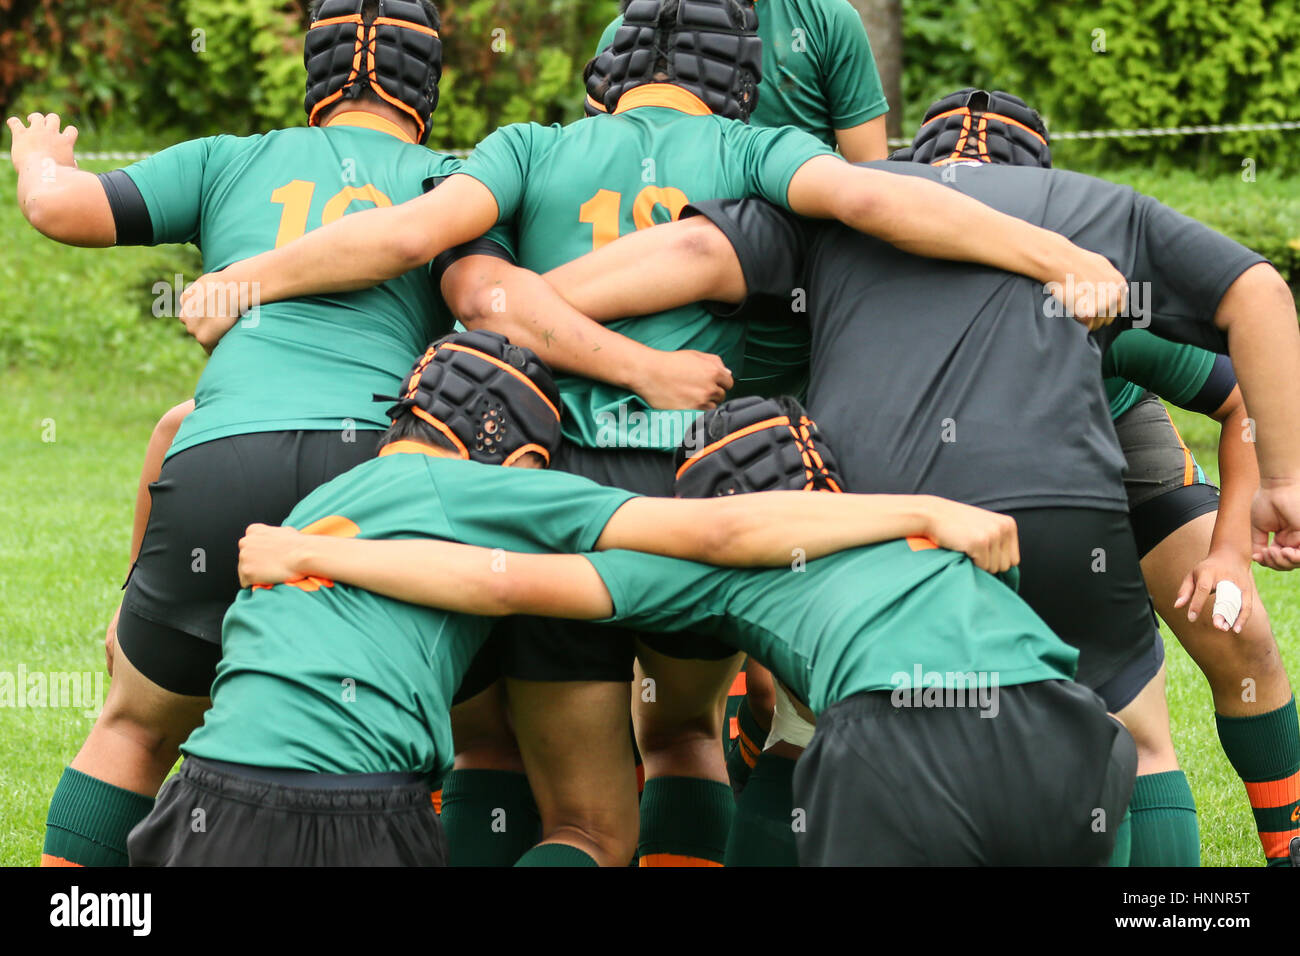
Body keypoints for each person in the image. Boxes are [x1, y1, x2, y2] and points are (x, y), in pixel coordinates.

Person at [175, 0, 1126, 867]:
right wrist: (1055, 252)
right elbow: (875, 197)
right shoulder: (753, 148)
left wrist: (247, 278)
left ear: (605, 76)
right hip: (698, 481)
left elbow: (422, 247)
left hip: (544, 482)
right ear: (740, 79)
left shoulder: (529, 147)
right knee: (683, 739)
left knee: (561, 810)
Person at [524, 89, 1300, 867]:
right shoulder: (1081, 217)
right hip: (1049, 492)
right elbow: (1259, 298)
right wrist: (1286, 488)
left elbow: (1237, 401)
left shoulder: (848, 212)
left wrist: (519, 315)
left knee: (821, 721)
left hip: (965, 481)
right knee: (1130, 732)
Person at [128, 333, 1027, 865]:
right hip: (347, 805)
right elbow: (712, 538)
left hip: (207, 789)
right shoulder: (494, 493)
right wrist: (923, 510)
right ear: (521, 464)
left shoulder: (326, 501)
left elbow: (173, 424)